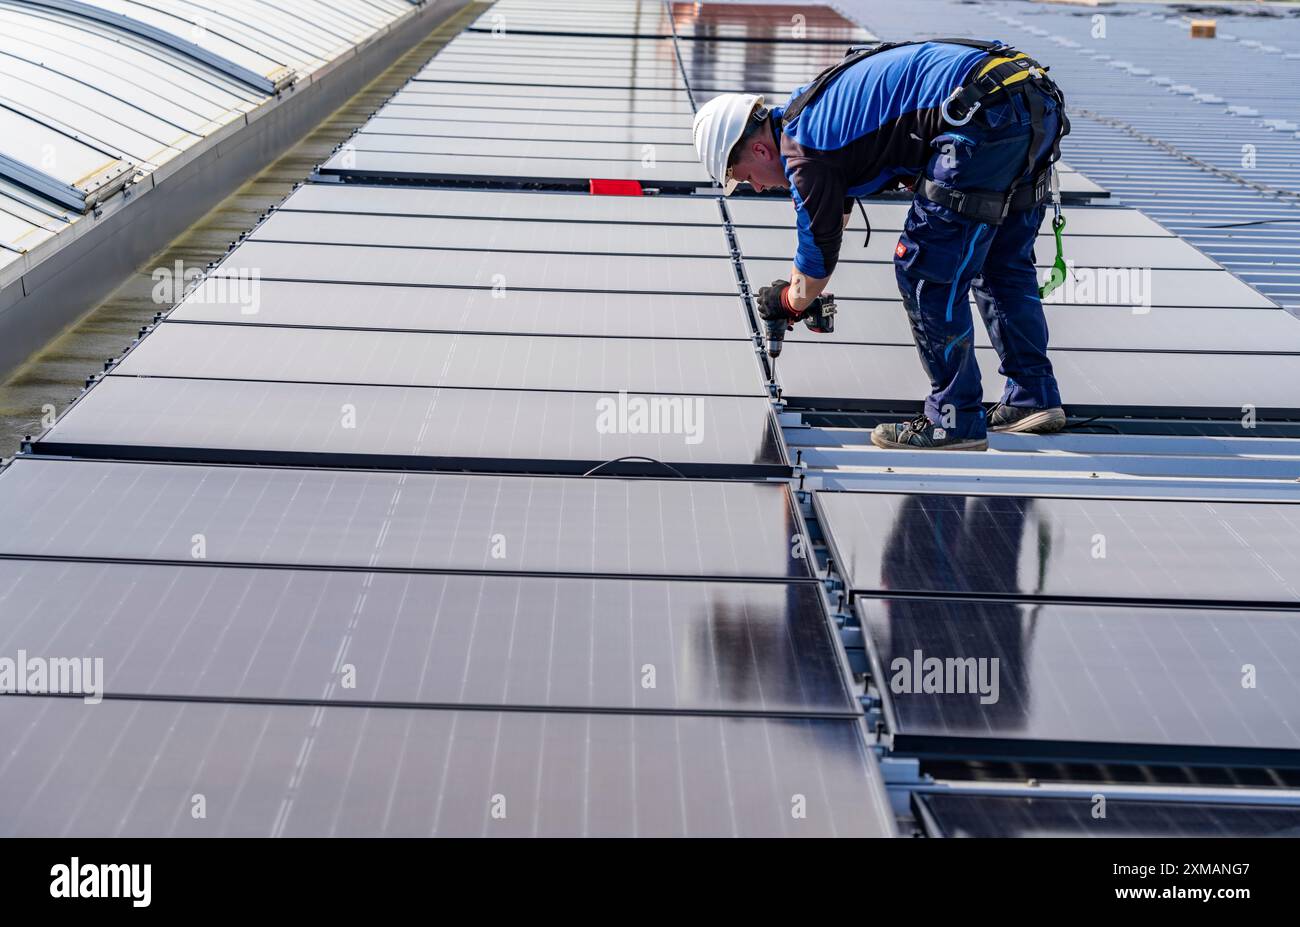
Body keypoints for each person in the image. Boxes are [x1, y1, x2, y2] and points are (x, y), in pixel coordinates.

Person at [692, 39, 1070, 451]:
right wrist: (800, 292)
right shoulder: (813, 114)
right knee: (1000, 263)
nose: (760, 187)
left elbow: (818, 258)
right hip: (1029, 98)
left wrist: (788, 302)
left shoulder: (804, 153)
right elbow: (831, 224)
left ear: (760, 149)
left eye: (748, 178)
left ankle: (953, 419)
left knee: (925, 268)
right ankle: (1032, 396)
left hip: (981, 117)